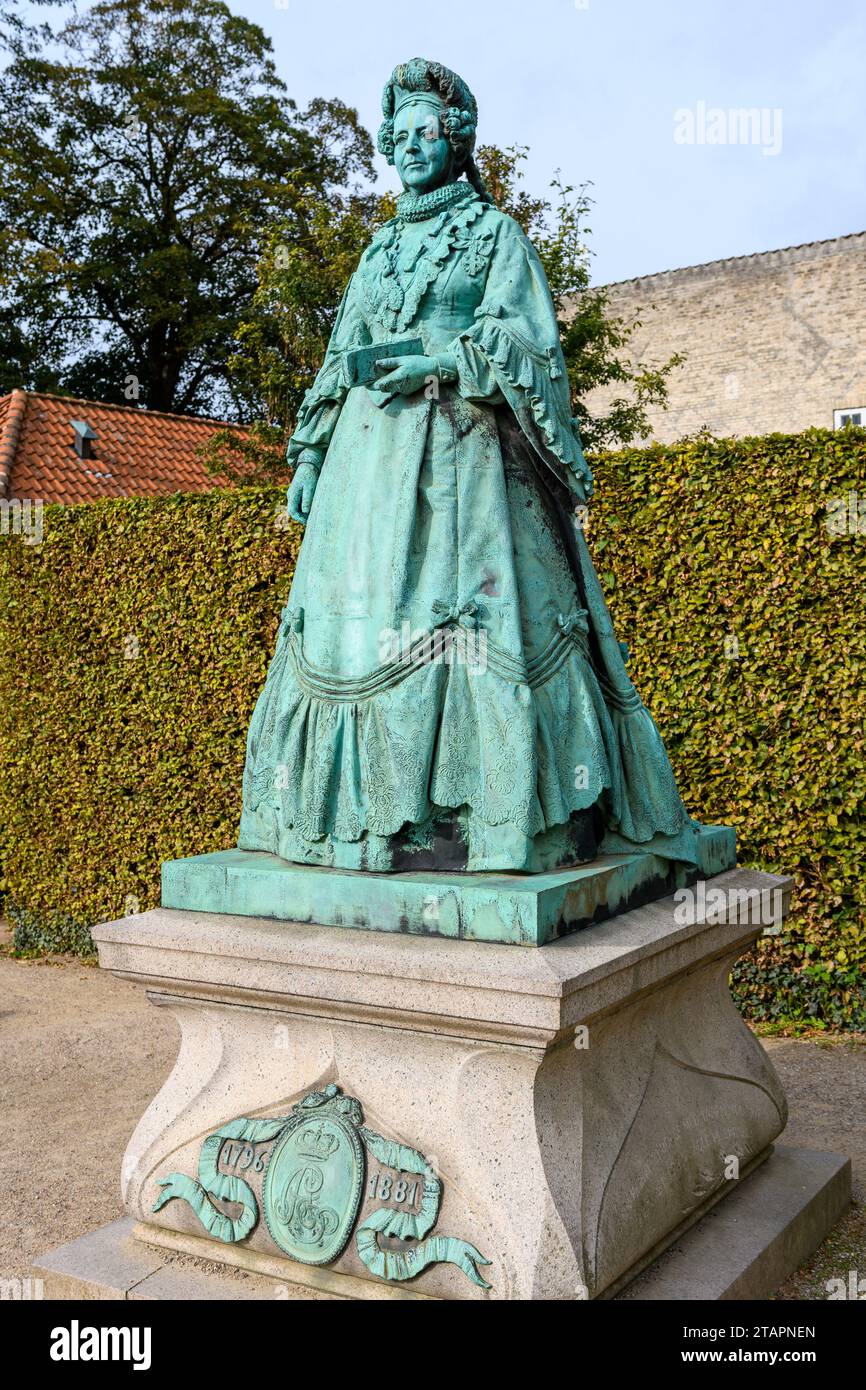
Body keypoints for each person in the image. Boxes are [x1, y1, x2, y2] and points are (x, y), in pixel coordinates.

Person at [238, 57, 698, 874]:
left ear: (455, 141)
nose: (411, 146)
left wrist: (443, 364)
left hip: (464, 468)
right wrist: (307, 452)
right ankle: (364, 823)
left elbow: (527, 344)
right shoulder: (378, 250)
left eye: (427, 132)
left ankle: (483, 817)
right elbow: (342, 349)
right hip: (365, 474)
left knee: (468, 633)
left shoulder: (494, 236)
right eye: (400, 134)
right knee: (353, 644)